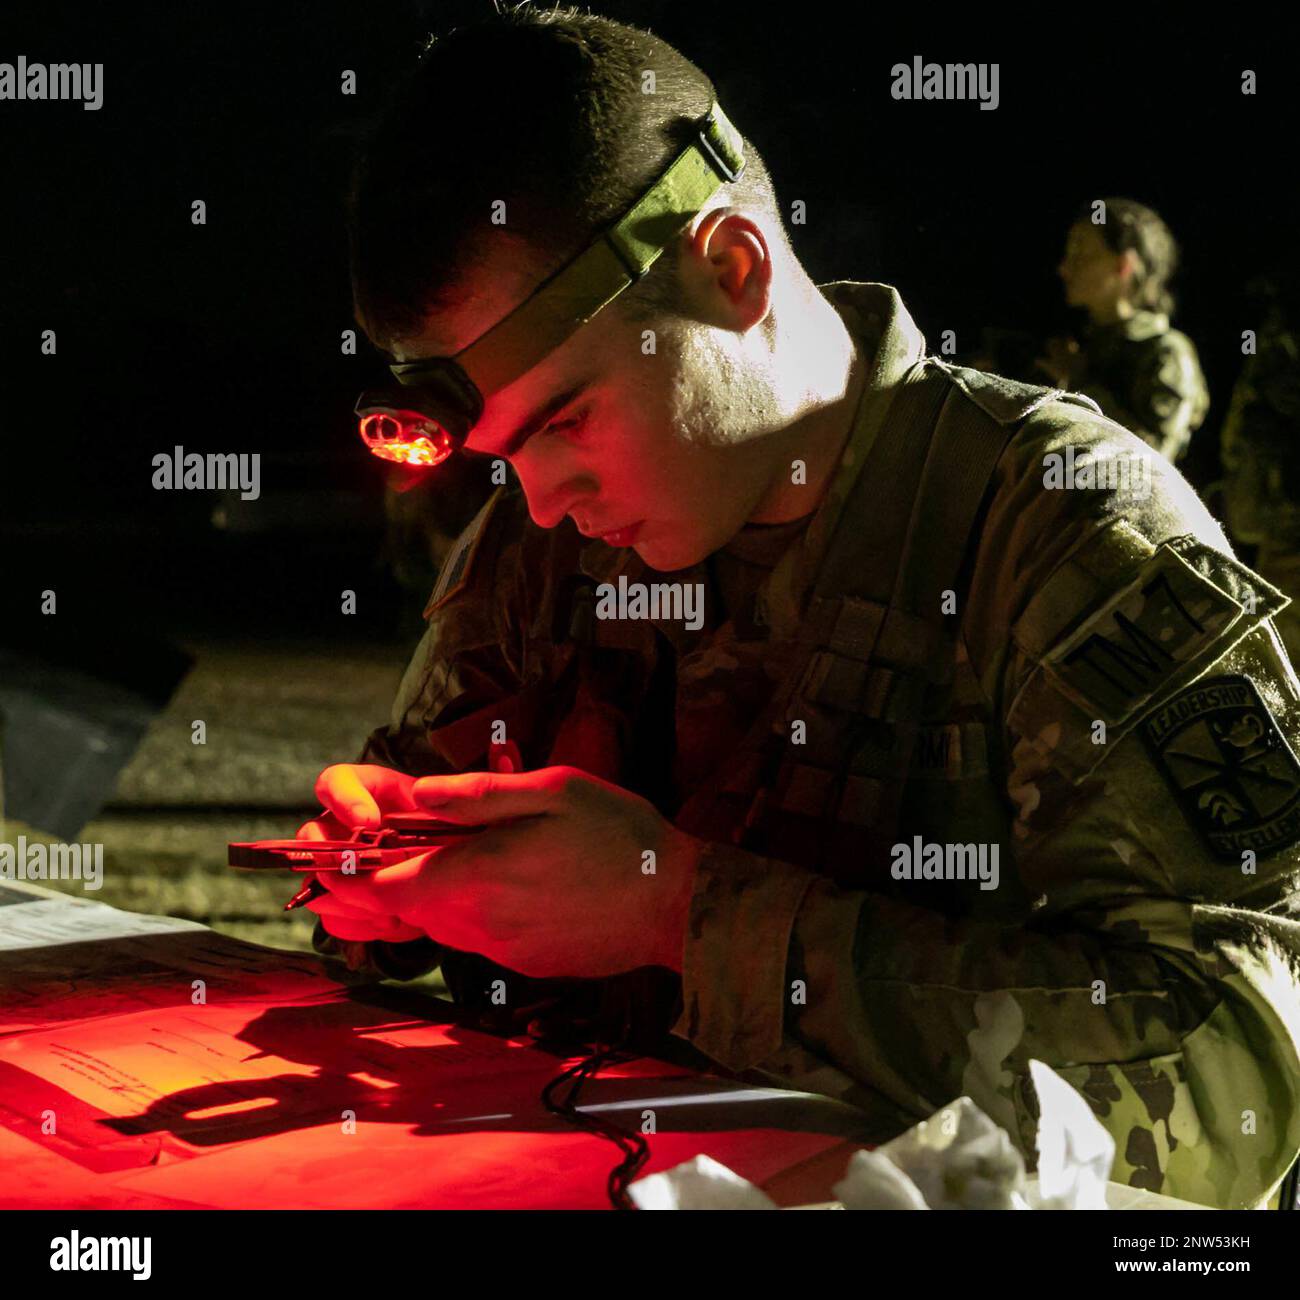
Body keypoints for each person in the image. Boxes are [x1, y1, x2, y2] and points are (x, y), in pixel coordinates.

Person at [301, 6, 1300, 1208]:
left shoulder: (1058, 523)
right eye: (504, 453)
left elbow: (1240, 1071)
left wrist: (675, 913)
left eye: (564, 420)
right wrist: (385, 874)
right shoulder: (538, 537)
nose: (545, 503)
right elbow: (371, 871)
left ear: (730, 272)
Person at [1038, 199, 1209, 465]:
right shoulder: (1085, 347)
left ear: (1124, 265)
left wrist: (1080, 380)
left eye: (1080, 254)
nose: (1064, 268)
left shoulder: (1167, 353)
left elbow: (1153, 459)